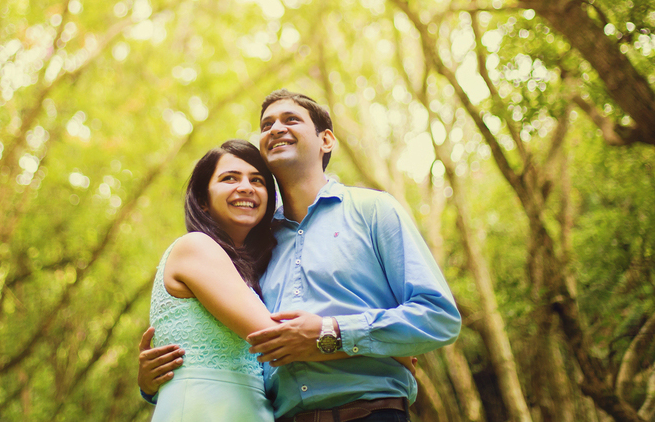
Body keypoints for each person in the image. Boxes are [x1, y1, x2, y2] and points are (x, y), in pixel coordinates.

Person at [140, 91, 461, 422]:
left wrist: (336, 333)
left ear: (326, 140)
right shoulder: (256, 249)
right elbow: (249, 350)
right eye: (266, 125)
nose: (276, 128)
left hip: (371, 412)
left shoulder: (374, 211)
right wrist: (153, 383)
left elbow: (439, 317)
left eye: (290, 119)